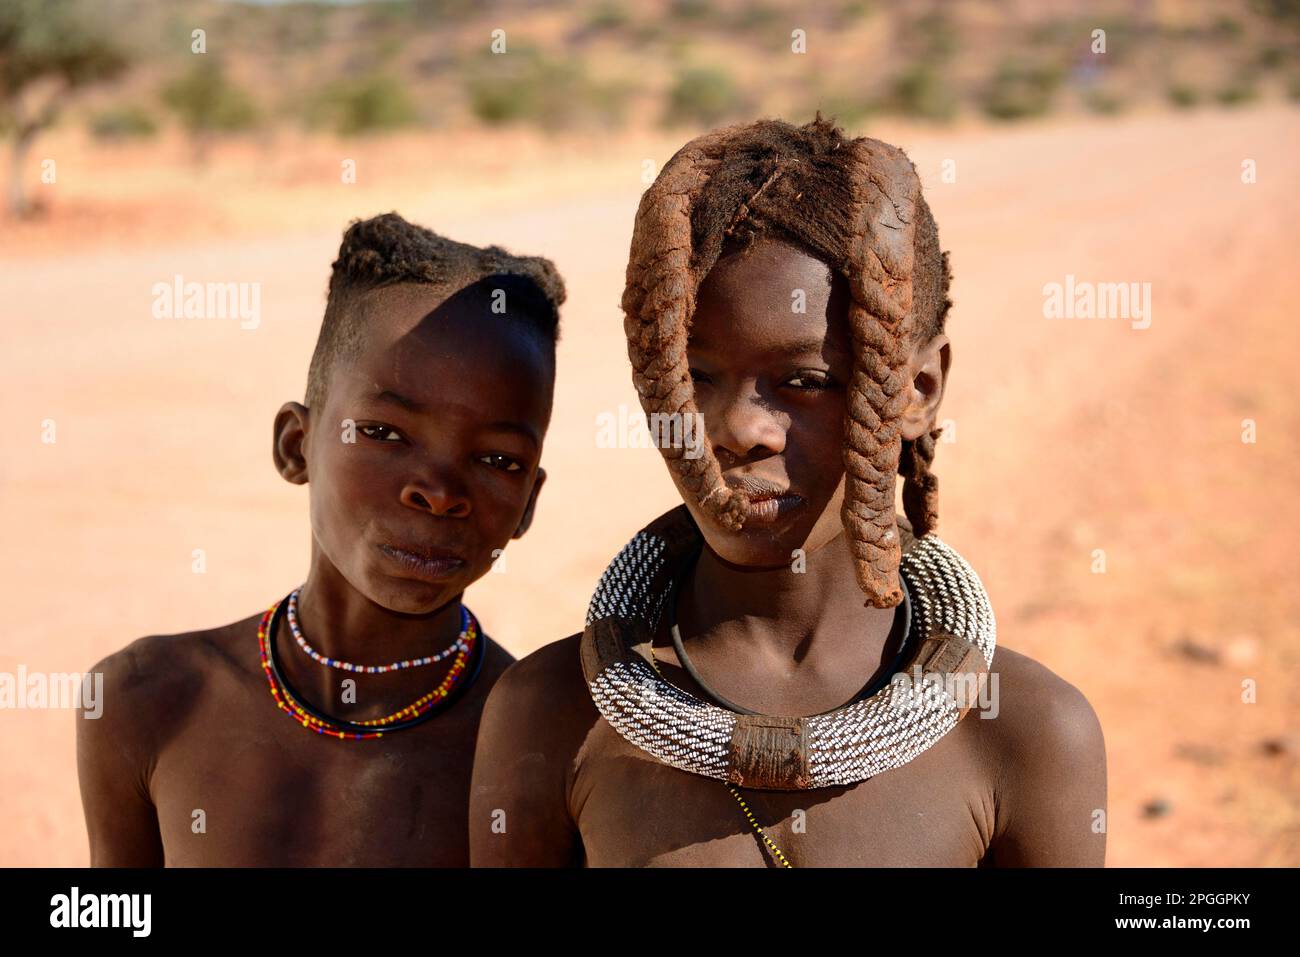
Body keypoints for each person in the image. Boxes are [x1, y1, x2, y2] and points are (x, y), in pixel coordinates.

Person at [469, 116, 1106, 867]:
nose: (738, 429)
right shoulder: (552, 714)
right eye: (693, 377)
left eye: (803, 382)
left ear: (920, 389)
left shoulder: (1024, 732)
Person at [78, 212, 564, 865]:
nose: (440, 491)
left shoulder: (545, 753)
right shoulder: (146, 700)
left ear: (528, 501)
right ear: (295, 444)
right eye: (384, 433)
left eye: (498, 460)